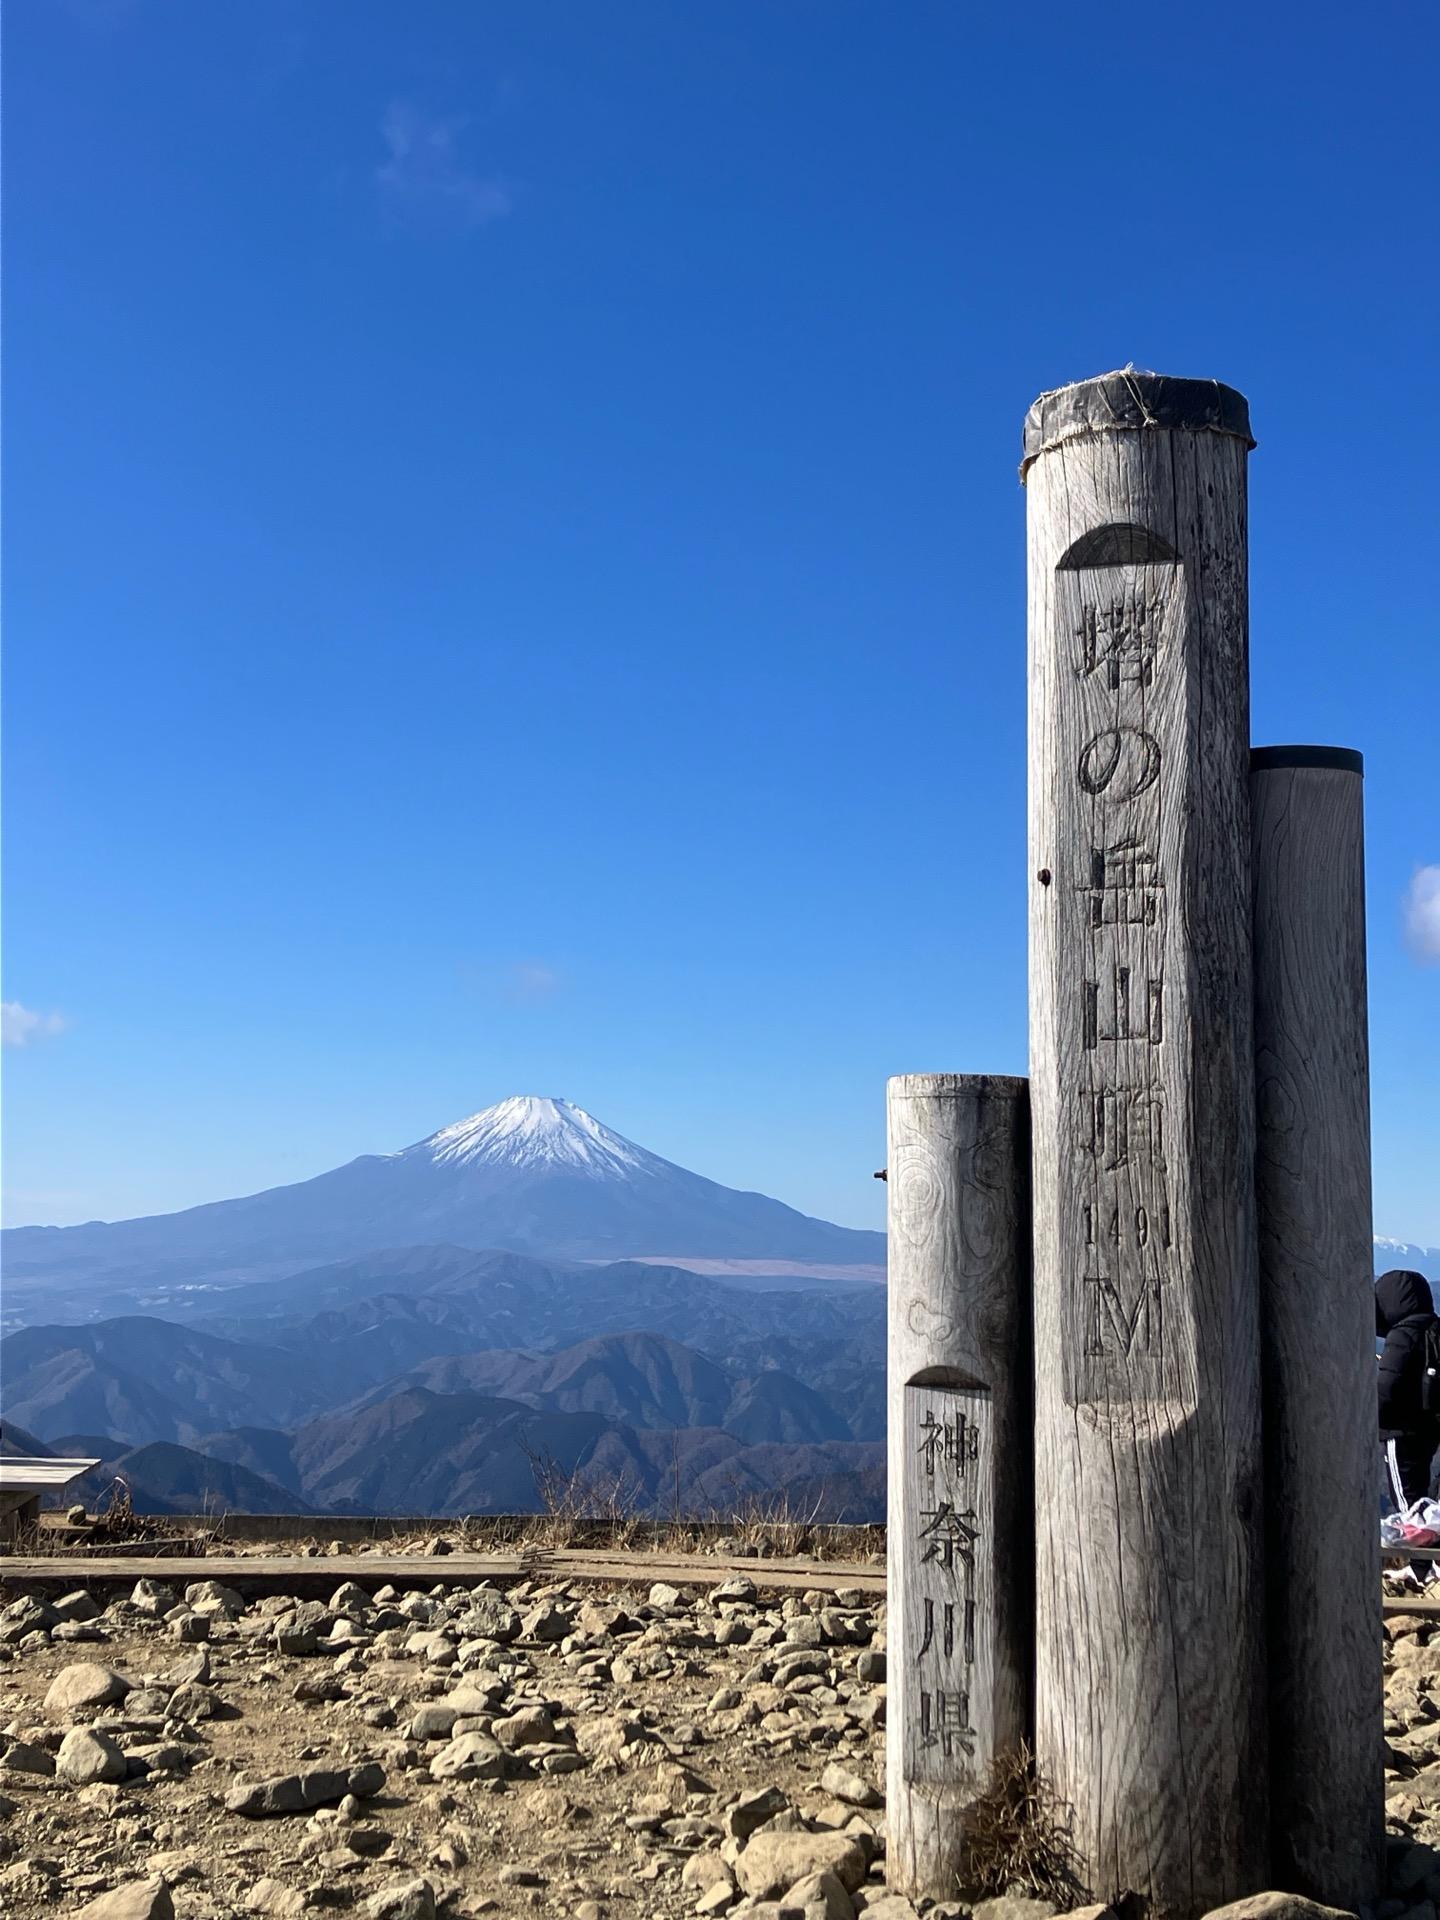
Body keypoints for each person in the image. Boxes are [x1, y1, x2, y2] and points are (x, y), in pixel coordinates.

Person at [1377, 1267, 1440, 1586]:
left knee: (1407, 1500)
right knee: (1425, 1496)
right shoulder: (1434, 1327)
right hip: (1430, 1425)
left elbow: (1388, 1386)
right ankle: (1428, 1564)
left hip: (1399, 1429)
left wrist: (1372, 1416)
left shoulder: (1401, 1334)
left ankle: (1421, 1567)